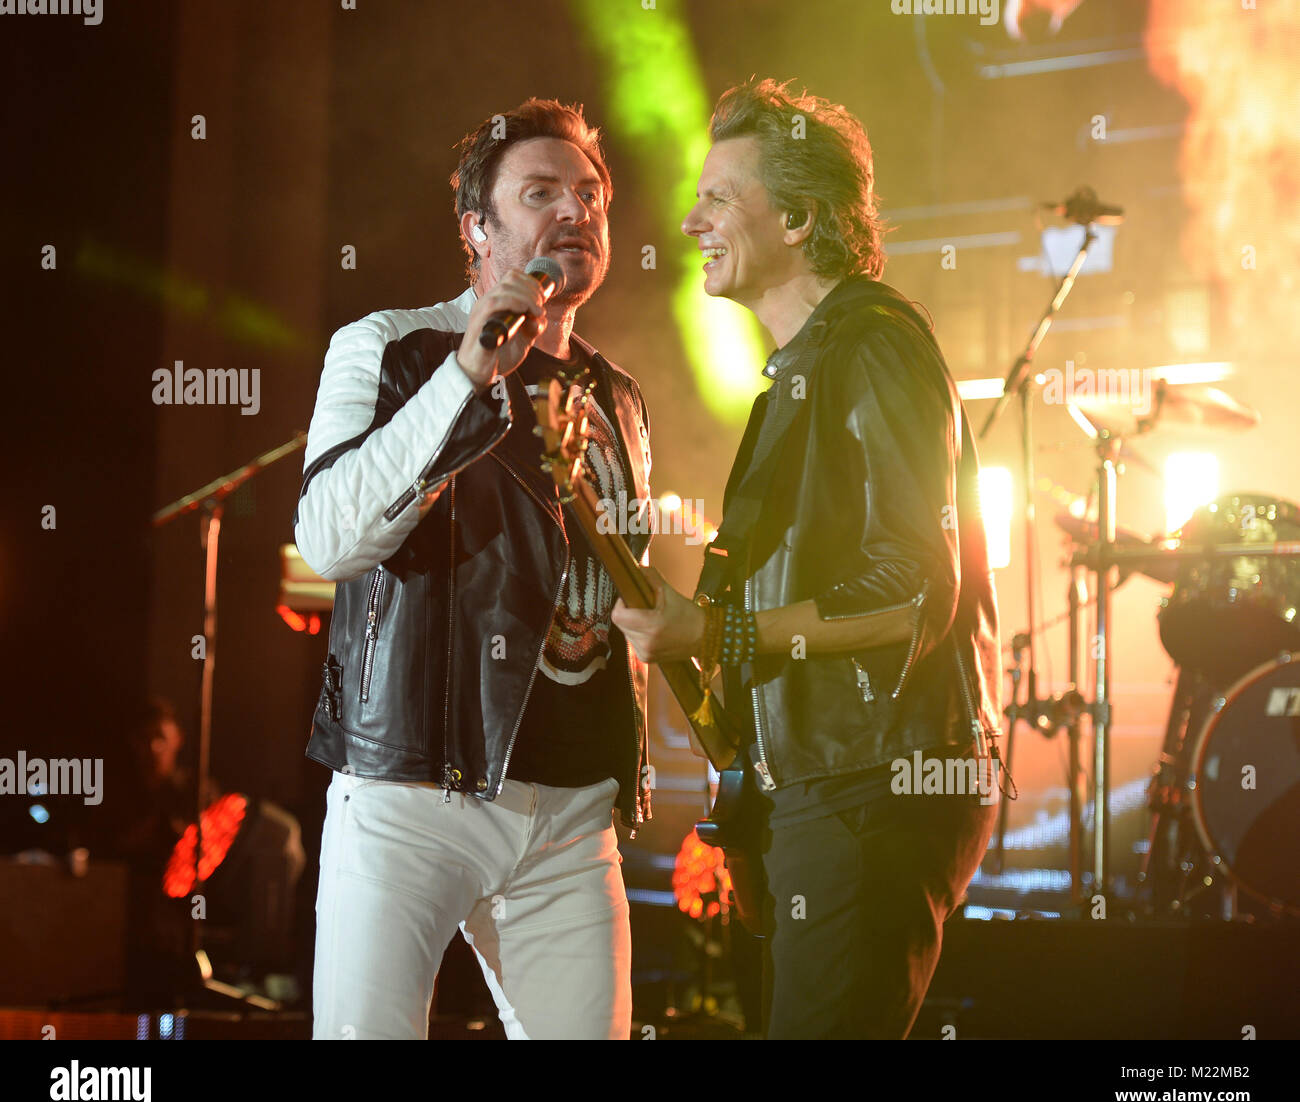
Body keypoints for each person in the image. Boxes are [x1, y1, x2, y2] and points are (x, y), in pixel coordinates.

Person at [612, 78, 1004, 1038]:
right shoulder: (802, 370)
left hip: (875, 780)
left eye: (718, 197)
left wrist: (716, 626)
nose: (691, 218)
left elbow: (915, 590)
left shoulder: (871, 345)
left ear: (796, 217)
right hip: (816, 786)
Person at [294, 98, 653, 1040]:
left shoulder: (619, 396)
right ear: (477, 230)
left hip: (571, 814)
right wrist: (466, 376)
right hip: (414, 789)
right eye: (540, 193)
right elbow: (330, 538)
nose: (574, 211)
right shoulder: (392, 347)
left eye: (590, 193)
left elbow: (610, 600)